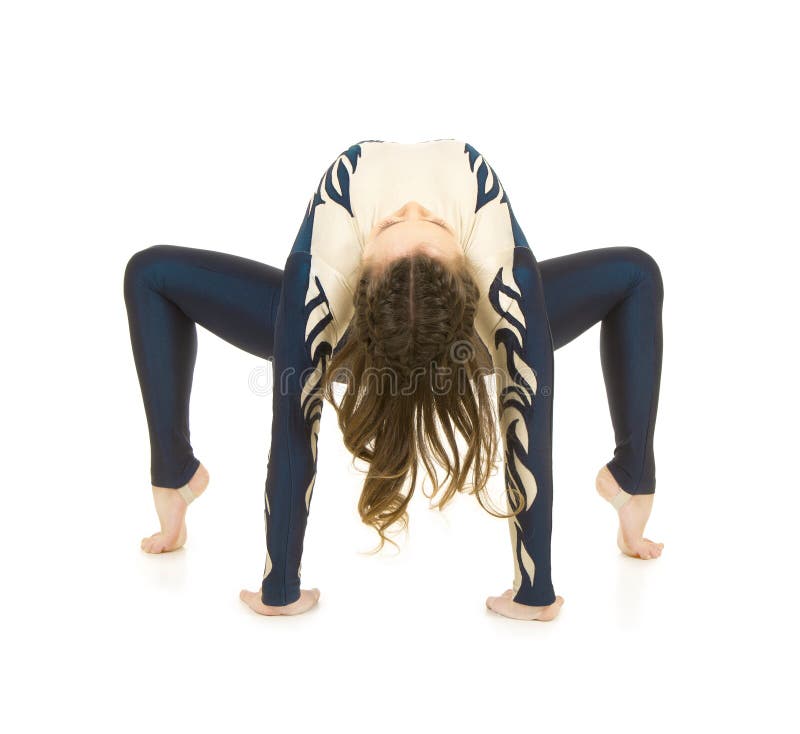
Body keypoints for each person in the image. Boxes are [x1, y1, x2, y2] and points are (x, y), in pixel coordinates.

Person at [123, 138, 664, 622]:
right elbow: (293, 422)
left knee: (635, 276)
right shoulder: (325, 278)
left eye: (427, 224)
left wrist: (535, 588)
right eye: (391, 225)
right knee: (151, 275)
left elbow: (528, 413)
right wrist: (278, 586)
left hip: (462, 346)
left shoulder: (500, 273)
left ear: (469, 275)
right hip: (358, 346)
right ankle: (177, 474)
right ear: (357, 281)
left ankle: (629, 475)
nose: (411, 207)